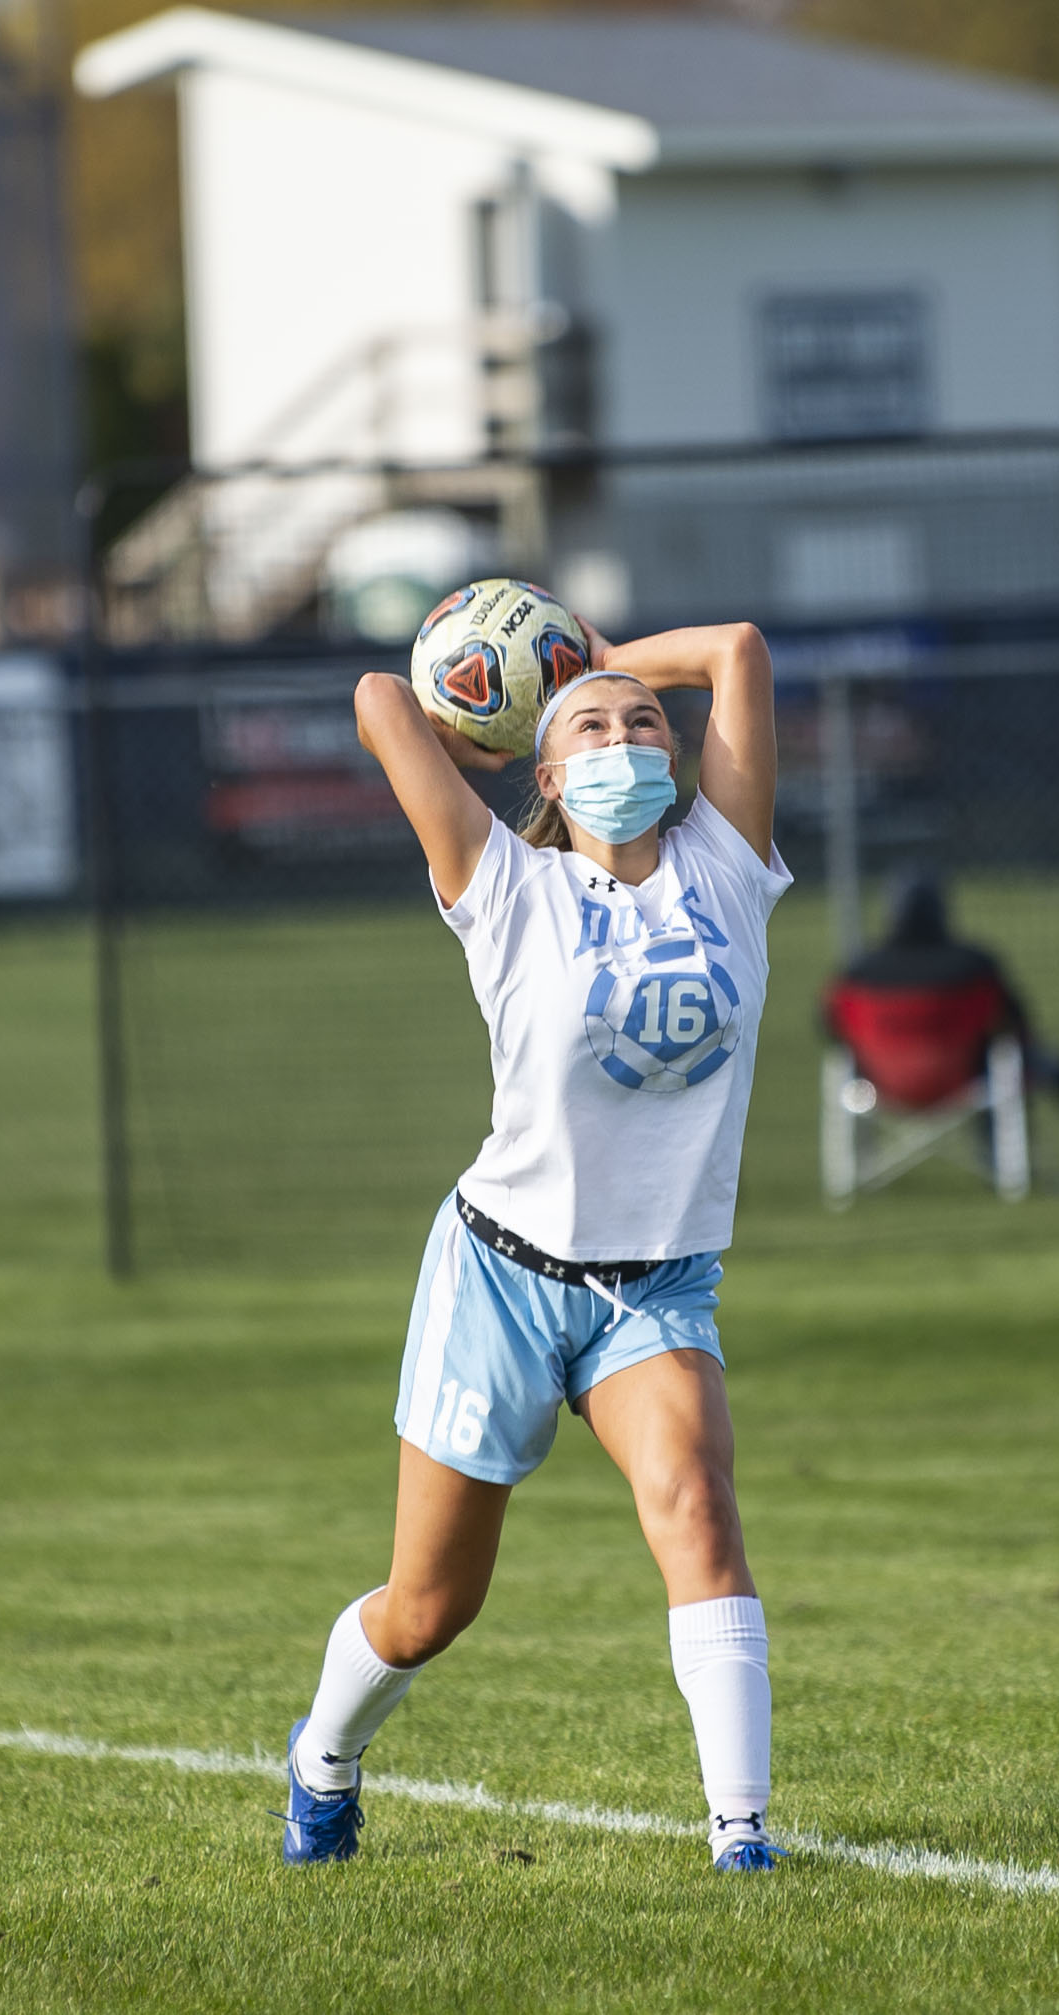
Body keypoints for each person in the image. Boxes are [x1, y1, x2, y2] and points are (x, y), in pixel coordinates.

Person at [289, 626, 794, 1873]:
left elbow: (735, 648)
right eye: (593, 728)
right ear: (546, 775)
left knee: (699, 1506)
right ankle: (323, 1761)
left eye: (642, 724)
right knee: (428, 1608)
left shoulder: (725, 867)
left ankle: (742, 1833)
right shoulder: (508, 881)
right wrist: (521, 703)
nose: (625, 735)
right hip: (503, 1276)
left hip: (654, 1284)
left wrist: (603, 657)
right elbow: (374, 698)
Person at [824, 872, 1059, 1112]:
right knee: (1009, 1055)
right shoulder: (973, 965)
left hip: (877, 1085)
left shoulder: (858, 973)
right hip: (964, 1079)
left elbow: (833, 1027)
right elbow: (1014, 1022)